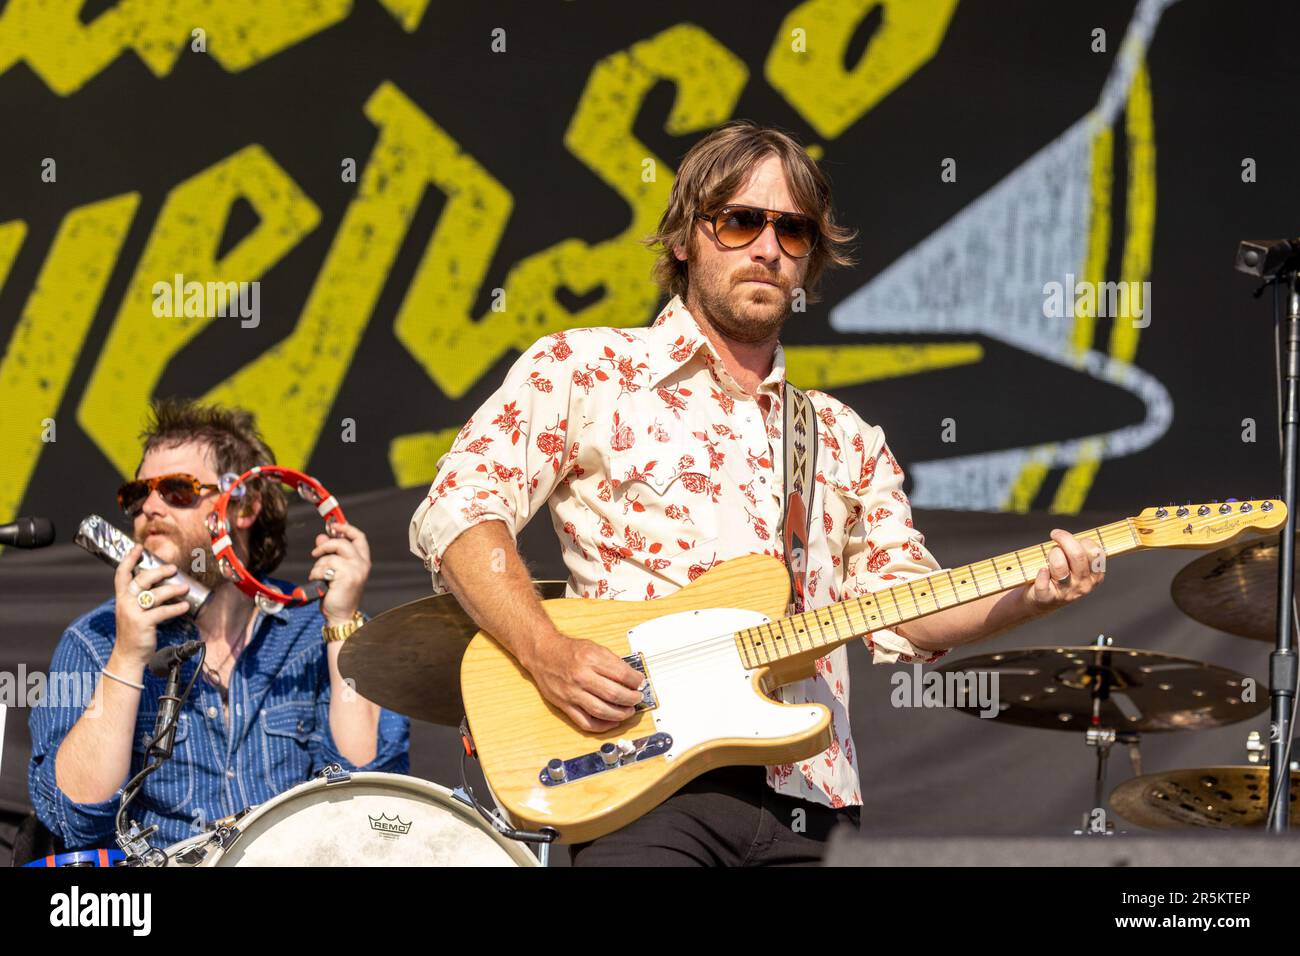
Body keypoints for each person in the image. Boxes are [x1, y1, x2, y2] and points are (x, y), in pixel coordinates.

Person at [409, 120, 1104, 866]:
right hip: (637, 781)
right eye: (740, 221)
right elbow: (458, 512)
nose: (768, 249)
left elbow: (909, 608)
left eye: (794, 231)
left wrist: (1034, 593)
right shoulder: (587, 370)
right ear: (683, 237)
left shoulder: (844, 437)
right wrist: (545, 650)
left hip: (814, 797)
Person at [29, 398, 409, 850]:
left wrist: (342, 621)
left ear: (242, 508)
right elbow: (77, 817)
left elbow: (369, 794)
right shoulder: (95, 639)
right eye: (136, 495)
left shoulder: (314, 631)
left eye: (177, 490)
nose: (149, 506)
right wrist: (128, 657)